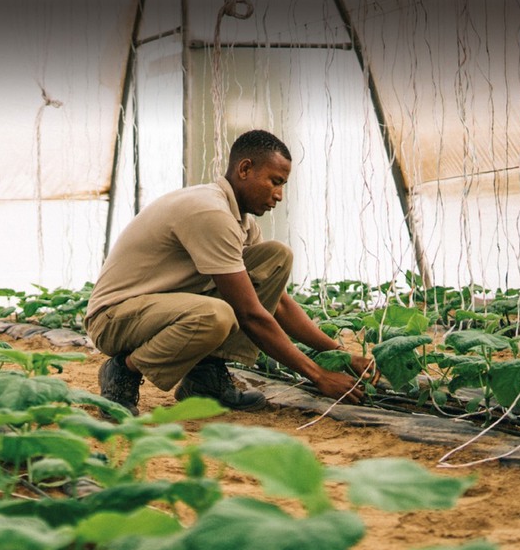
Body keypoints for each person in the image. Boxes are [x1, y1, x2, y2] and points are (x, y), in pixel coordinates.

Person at [84, 129, 377, 415]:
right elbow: (250, 314)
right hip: (114, 317)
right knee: (216, 315)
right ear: (245, 169)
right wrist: (318, 375)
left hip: (158, 309)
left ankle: (206, 379)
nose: (279, 195)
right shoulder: (210, 212)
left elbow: (278, 304)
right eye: (275, 182)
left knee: (275, 257)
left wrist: (340, 354)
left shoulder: (241, 221)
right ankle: (123, 371)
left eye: (283, 185)